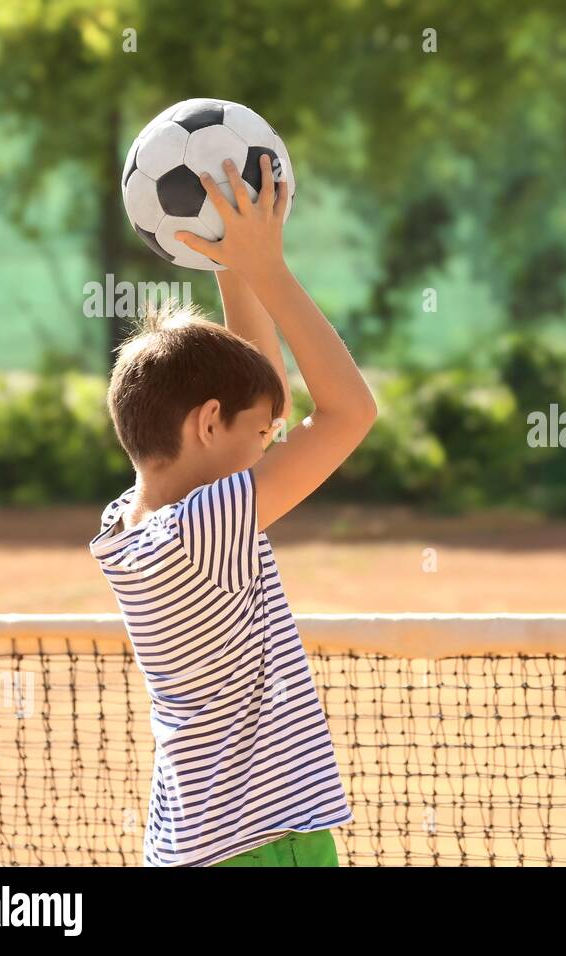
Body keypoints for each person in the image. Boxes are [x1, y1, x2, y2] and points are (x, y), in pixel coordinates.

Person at [89, 154, 377, 866]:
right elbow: (348, 412)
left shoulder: (129, 525)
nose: (271, 443)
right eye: (259, 434)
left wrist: (229, 260)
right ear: (208, 423)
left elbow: (258, 391)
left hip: (196, 845)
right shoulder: (200, 530)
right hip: (262, 846)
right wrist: (267, 268)